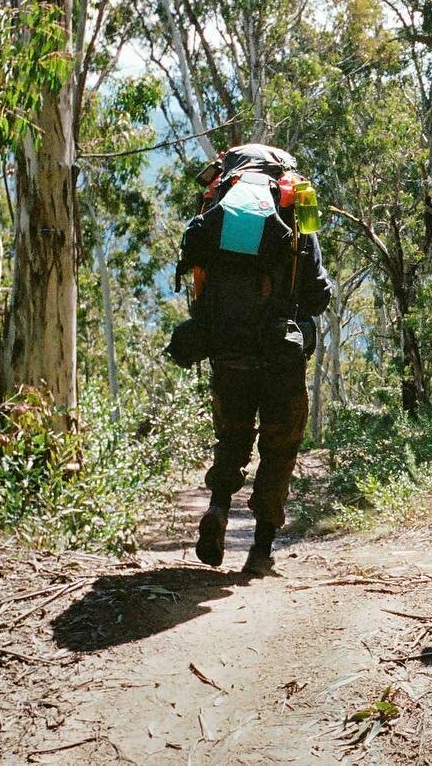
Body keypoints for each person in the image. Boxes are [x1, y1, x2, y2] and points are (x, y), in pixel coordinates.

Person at [174, 151, 334, 576]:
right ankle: (261, 551)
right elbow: (317, 292)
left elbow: (197, 280)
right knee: (279, 447)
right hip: (280, 353)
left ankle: (219, 508)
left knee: (232, 439)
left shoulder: (216, 207)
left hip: (227, 351)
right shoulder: (294, 206)